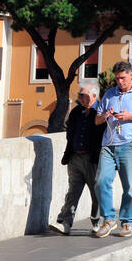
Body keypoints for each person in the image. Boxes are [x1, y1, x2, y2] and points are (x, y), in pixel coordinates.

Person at [92, 61, 132, 238]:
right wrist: (105, 115)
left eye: (123, 78)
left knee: (129, 186)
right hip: (109, 145)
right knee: (100, 181)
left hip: (131, 145)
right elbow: (97, 120)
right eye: (117, 78)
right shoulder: (109, 94)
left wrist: (129, 116)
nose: (120, 82)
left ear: (131, 75)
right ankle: (109, 219)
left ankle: (128, 222)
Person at [49, 84, 106, 235]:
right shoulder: (76, 112)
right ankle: (65, 222)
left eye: (84, 95)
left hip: (92, 159)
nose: (80, 98)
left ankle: (98, 222)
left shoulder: (100, 113)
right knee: (73, 191)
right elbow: (70, 133)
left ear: (94, 96)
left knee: (96, 192)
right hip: (75, 157)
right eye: (80, 95)